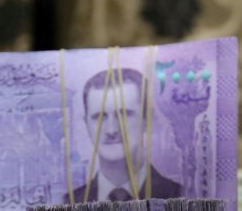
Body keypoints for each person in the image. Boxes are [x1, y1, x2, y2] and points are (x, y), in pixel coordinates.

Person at [69, 67, 183, 203]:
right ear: (86, 124)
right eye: (99, 117)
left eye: (124, 114)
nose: (111, 130)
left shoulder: (179, 197)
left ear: (147, 119)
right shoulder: (70, 202)